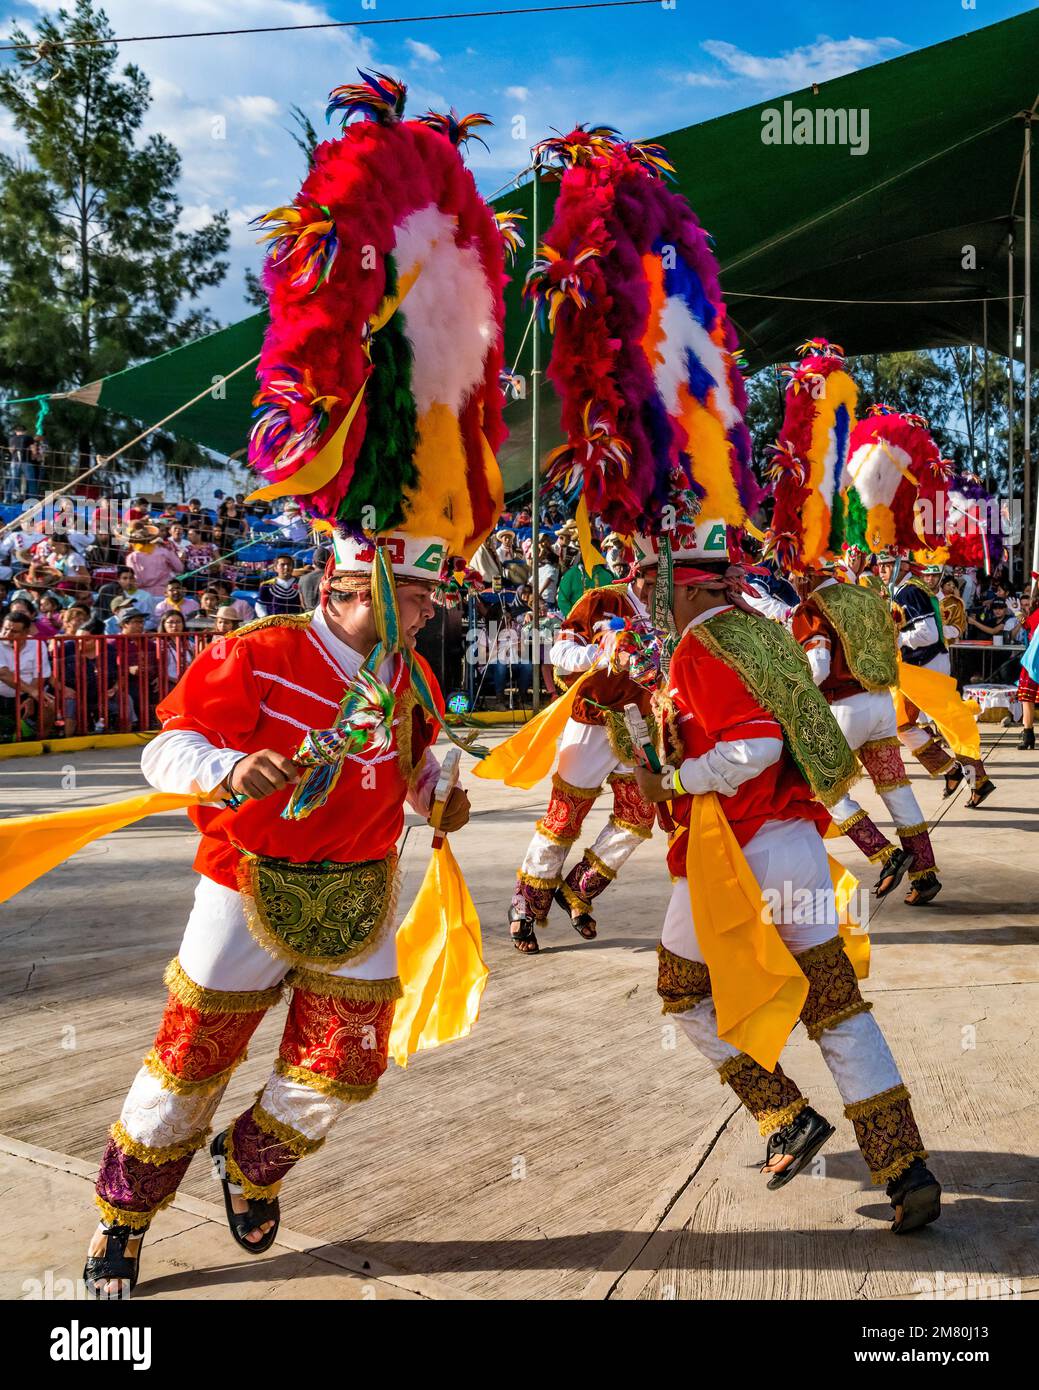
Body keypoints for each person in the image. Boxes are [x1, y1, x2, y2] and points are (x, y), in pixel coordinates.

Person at [83, 77, 506, 1298]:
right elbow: (162, 752)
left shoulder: (406, 665)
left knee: (341, 1068)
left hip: (364, 890)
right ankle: (124, 1222)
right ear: (351, 579)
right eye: (415, 594)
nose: (430, 609)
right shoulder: (259, 652)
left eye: (430, 596)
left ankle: (255, 1165)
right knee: (184, 1063)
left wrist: (444, 784)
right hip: (248, 882)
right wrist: (228, 768)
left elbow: (427, 752)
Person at [634, 551, 941, 1234]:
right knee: (836, 1010)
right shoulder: (765, 631)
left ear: (680, 591)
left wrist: (672, 783)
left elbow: (754, 748)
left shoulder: (699, 645)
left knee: (683, 991)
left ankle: (785, 1115)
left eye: (649, 588)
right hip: (795, 847)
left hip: (731, 855)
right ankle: (903, 1167)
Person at [508, 541, 664, 951]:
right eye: (660, 577)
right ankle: (526, 903)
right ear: (642, 572)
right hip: (592, 721)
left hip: (638, 725)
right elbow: (559, 650)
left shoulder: (673, 612)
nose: (666, 587)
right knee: (564, 817)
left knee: (638, 817)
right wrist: (604, 651)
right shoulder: (604, 600)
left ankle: (578, 888)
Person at [792, 565, 941, 905]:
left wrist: (795, 698)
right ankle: (925, 873)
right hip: (881, 703)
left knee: (822, 785)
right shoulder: (866, 595)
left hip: (843, 707)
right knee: (897, 788)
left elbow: (818, 666)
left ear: (807, 575)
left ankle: (884, 853)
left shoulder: (812, 608)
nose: (794, 582)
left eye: (796, 575)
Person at [878, 551, 996, 809]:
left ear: (903, 564)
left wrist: (897, 639)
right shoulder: (907, 589)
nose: (881, 569)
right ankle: (951, 770)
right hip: (916, 668)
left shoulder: (908, 591)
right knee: (906, 725)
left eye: (886, 564)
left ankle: (974, 779)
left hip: (924, 667)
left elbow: (929, 633)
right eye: (879, 565)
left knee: (949, 725)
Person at [0, 606, 54, 736]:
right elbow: (3, 674)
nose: (7, 634)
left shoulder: (36, 643)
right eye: (5, 629)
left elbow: (40, 675)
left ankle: (41, 740)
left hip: (27, 693)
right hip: (3, 692)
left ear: (26, 633)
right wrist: (34, 692)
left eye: (14, 631)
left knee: (49, 703)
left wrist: (31, 697)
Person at [124, 524, 185, 598]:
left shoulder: (131, 557)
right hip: (163, 593)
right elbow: (179, 568)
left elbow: (131, 578)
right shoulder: (164, 552)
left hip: (142, 596)